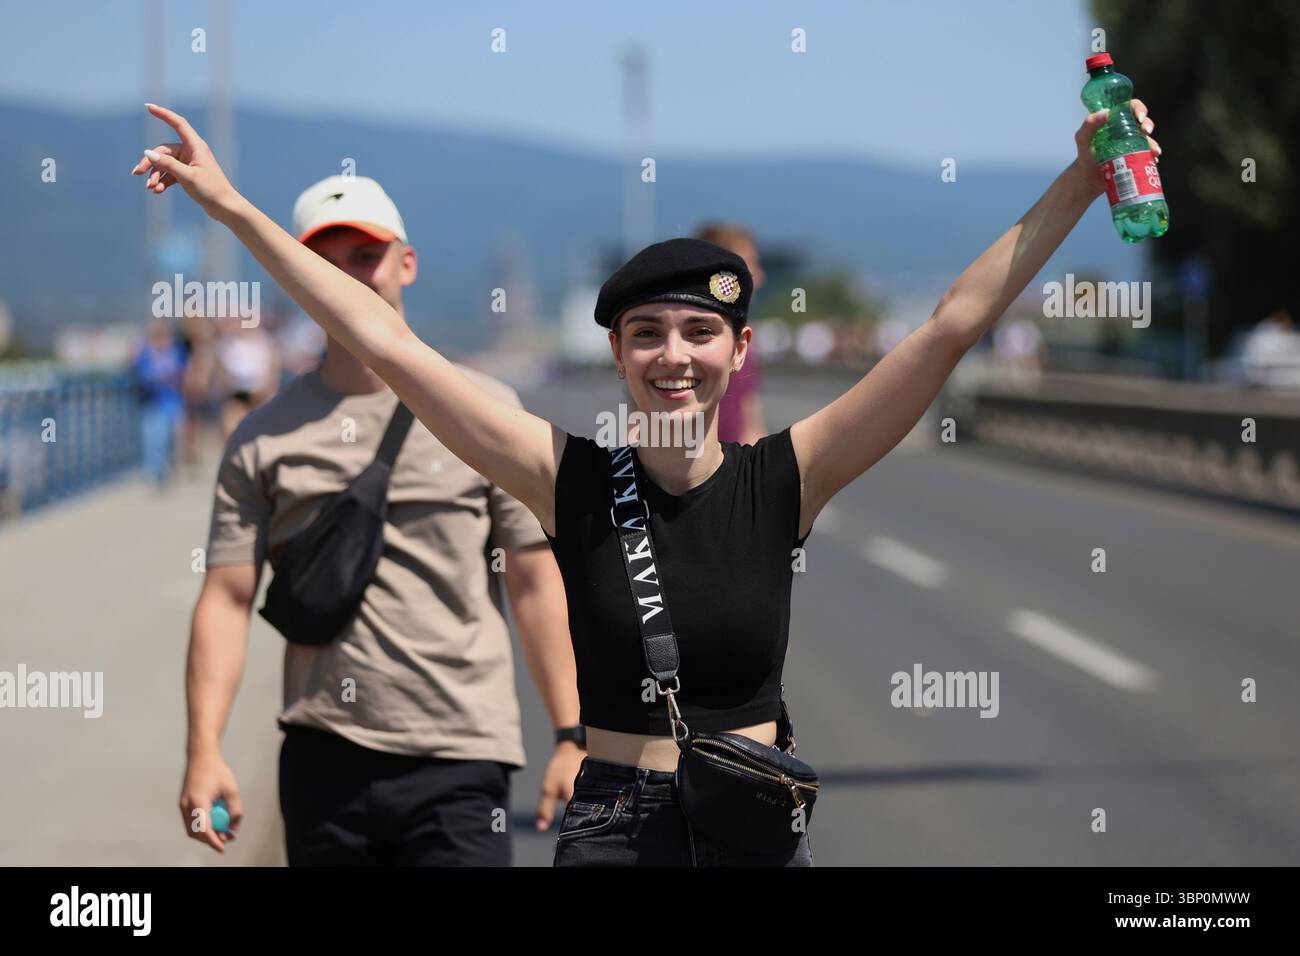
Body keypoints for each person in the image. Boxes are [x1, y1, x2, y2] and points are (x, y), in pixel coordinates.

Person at [133, 97, 1162, 866]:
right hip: (614, 822)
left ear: (738, 348)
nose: (675, 354)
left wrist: (1080, 175)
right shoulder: (562, 476)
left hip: (754, 820)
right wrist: (229, 207)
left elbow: (950, 323)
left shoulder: (786, 478)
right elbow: (383, 340)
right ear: (620, 355)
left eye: (699, 332)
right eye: (647, 333)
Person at [171, 171, 583, 866]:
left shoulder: (484, 414)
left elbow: (536, 584)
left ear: (407, 263)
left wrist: (572, 735)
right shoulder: (264, 436)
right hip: (323, 754)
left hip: (461, 755)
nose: (346, 278)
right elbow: (226, 596)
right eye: (322, 263)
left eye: (364, 256)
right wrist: (203, 749)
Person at [694, 222, 768, 445]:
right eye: (749, 265)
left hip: (732, 469)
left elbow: (751, 426)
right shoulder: (694, 344)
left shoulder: (740, 337)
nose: (759, 277)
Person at [132, 317, 188, 487]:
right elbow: (136, 371)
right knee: (151, 438)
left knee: (168, 438)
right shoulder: (145, 353)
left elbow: (184, 373)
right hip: (151, 402)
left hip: (172, 401)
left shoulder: (176, 352)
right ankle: (154, 472)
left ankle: (166, 469)